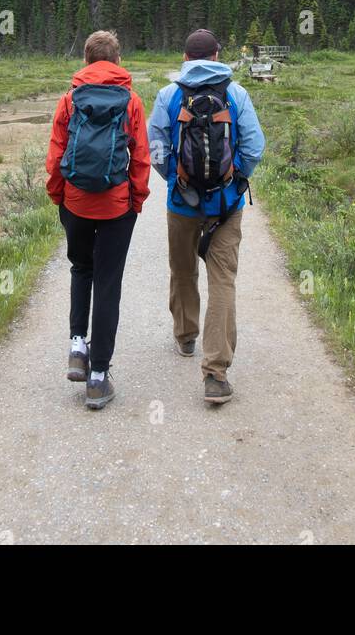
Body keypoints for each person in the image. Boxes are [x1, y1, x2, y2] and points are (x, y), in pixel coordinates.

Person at [148, 29, 265, 404]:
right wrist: (235, 181)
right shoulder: (236, 93)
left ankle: (186, 337)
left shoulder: (169, 94)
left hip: (182, 204)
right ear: (218, 54)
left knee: (183, 270)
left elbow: (156, 148)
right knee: (223, 281)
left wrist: (177, 181)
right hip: (225, 207)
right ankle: (215, 374)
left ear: (185, 57)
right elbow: (255, 146)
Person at [45, 29, 151, 409]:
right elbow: (140, 158)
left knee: (80, 268)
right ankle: (98, 376)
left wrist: (58, 194)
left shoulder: (69, 100)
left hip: (75, 202)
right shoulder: (132, 102)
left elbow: (57, 154)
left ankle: (77, 346)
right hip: (116, 206)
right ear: (117, 60)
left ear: (87, 59)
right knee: (108, 283)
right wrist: (136, 200)